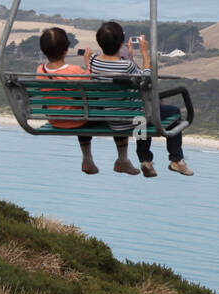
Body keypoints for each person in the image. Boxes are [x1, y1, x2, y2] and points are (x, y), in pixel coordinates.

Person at [88, 20, 193, 177]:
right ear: (120, 43)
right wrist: (144, 54)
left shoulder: (94, 62)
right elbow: (146, 80)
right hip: (133, 119)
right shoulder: (127, 66)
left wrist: (128, 56)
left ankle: (146, 160)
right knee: (173, 112)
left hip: (110, 118)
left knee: (142, 114)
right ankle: (176, 160)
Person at [35, 26, 137, 175]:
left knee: (78, 110)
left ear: (44, 50)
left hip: (55, 119)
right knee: (115, 109)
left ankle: (87, 158)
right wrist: (88, 64)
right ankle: (122, 159)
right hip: (78, 119)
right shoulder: (73, 71)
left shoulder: (40, 70)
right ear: (66, 49)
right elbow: (88, 86)